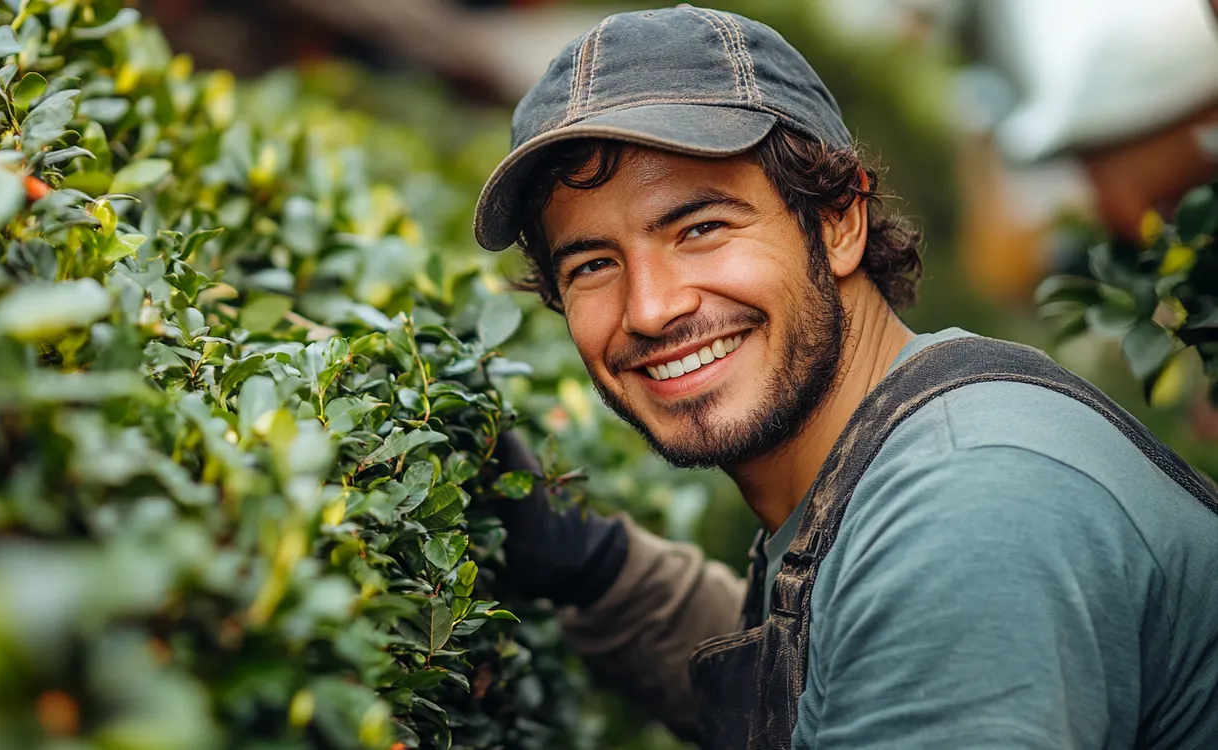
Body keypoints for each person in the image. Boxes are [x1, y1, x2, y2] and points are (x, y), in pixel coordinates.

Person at [471, 6, 1218, 749]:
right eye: (593, 264)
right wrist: (595, 569)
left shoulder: (965, 510)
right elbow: (834, 676)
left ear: (837, 222)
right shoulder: (902, 451)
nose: (651, 308)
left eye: (700, 228)